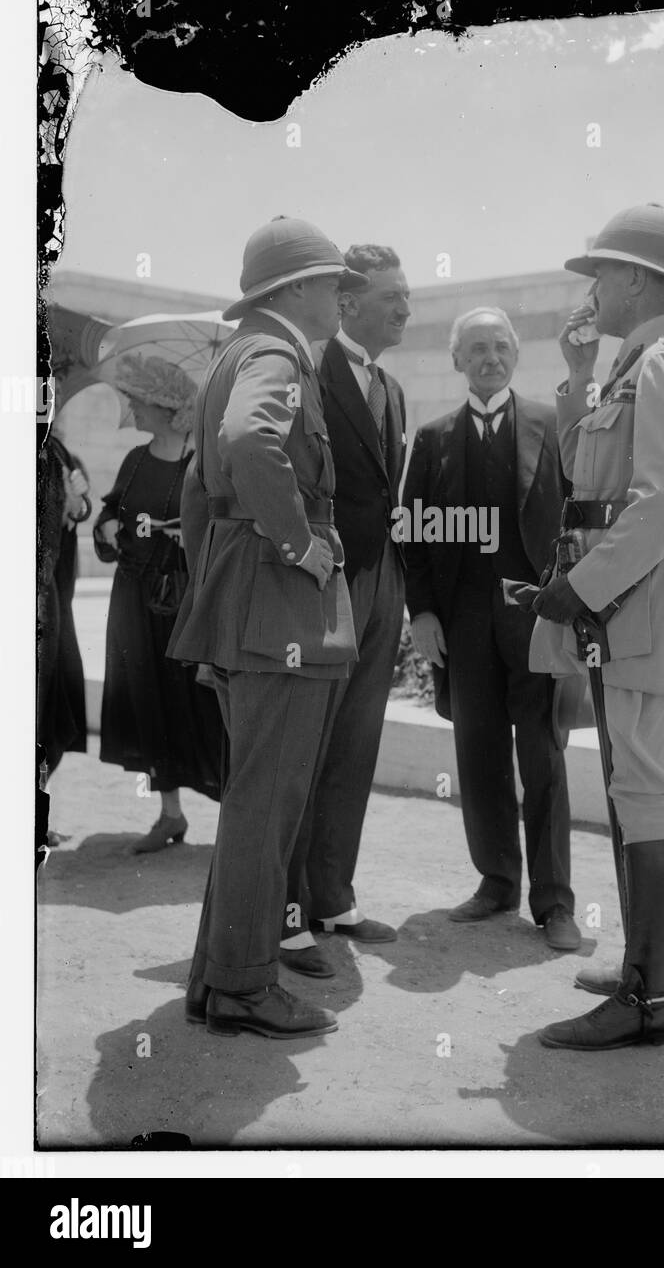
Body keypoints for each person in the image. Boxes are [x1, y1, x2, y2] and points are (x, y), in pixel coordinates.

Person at [530, 203, 664, 1051]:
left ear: (638, 279)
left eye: (601, 273)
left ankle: (644, 1003)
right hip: (639, 601)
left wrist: (579, 587)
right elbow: (589, 475)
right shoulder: (645, 362)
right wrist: (577, 376)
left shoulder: (662, 364)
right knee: (660, 789)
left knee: (643, 794)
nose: (593, 288)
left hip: (637, 600)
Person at [168, 215, 368, 1040]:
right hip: (280, 601)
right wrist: (299, 543)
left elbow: (193, 492)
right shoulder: (278, 353)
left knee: (256, 795)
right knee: (267, 800)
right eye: (333, 284)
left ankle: (221, 978)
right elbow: (250, 443)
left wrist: (221, 583)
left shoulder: (236, 353)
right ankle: (246, 988)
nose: (342, 298)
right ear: (293, 290)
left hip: (248, 597)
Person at [403, 307, 579, 951]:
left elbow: (577, 514)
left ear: (515, 355)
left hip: (534, 616)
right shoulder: (431, 438)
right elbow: (412, 532)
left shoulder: (550, 425)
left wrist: (573, 592)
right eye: (475, 348)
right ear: (457, 361)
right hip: (464, 619)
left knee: (542, 755)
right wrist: (420, 612)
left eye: (500, 346)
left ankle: (555, 901)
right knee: (477, 755)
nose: (489, 357)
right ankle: (498, 880)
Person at [281, 244, 410, 977]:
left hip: (379, 582)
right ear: (350, 300)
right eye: (392, 296)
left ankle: (332, 893)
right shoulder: (308, 373)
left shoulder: (390, 389)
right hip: (327, 582)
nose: (404, 310)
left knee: (356, 744)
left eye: (407, 297)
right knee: (311, 744)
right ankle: (289, 910)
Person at [93, 355, 224, 851]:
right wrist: (106, 526)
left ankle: (235, 816)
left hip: (188, 600)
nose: (132, 409)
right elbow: (111, 511)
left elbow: (224, 527)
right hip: (135, 598)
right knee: (150, 701)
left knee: (202, 701)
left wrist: (192, 537)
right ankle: (171, 814)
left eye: (138, 401)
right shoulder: (135, 460)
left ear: (164, 406)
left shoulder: (204, 462)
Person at [37, 432, 90, 843]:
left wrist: (78, 501)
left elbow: (78, 509)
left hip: (53, 595)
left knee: (50, 706)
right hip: (35, 595)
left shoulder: (55, 447)